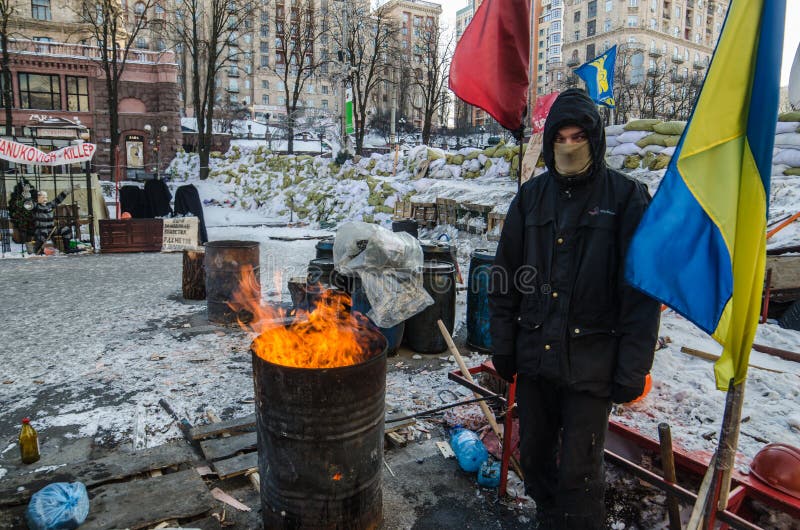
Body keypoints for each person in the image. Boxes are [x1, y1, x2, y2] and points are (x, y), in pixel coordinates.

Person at [488, 88, 660, 529]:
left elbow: (640, 296)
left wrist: (632, 368)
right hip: (535, 359)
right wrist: (503, 346)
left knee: (579, 474)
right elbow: (505, 279)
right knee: (536, 459)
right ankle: (549, 518)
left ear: (595, 138)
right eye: (560, 138)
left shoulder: (626, 198)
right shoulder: (530, 198)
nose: (568, 146)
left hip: (592, 365)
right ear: (548, 144)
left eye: (577, 136)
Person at [33, 189, 72, 254]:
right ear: (38, 198)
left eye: (46, 197)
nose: (45, 199)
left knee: (66, 230)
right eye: (43, 197)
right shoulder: (36, 206)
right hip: (41, 229)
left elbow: (58, 199)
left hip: (52, 229)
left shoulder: (50, 205)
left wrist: (66, 192)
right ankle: (38, 250)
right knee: (42, 235)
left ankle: (67, 248)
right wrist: (27, 196)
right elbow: (29, 205)